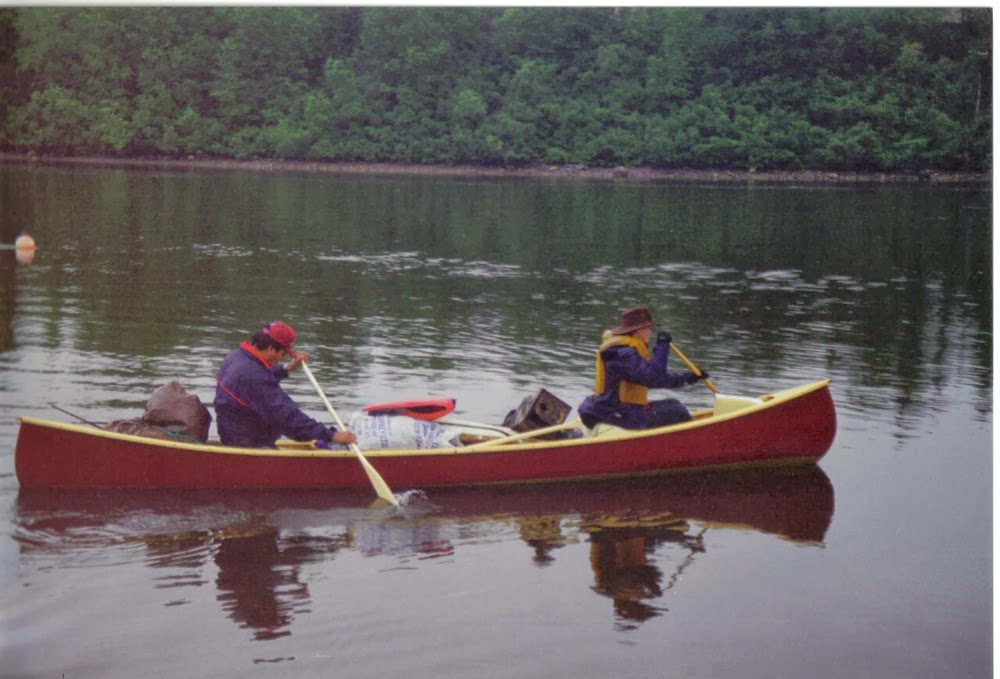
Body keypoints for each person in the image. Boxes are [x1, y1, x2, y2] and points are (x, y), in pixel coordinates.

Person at [214, 321, 357, 448]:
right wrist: (330, 435)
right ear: (270, 349)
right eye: (283, 354)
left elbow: (254, 382)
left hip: (231, 434)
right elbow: (288, 418)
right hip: (248, 444)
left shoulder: (235, 356)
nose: (282, 358)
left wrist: (286, 369)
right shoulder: (255, 377)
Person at [578, 307, 709, 430]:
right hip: (613, 412)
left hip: (617, 410)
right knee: (677, 411)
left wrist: (688, 378)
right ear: (637, 331)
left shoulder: (625, 351)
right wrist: (662, 347)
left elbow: (657, 379)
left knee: (674, 405)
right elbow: (652, 377)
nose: (650, 332)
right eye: (648, 328)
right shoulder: (621, 353)